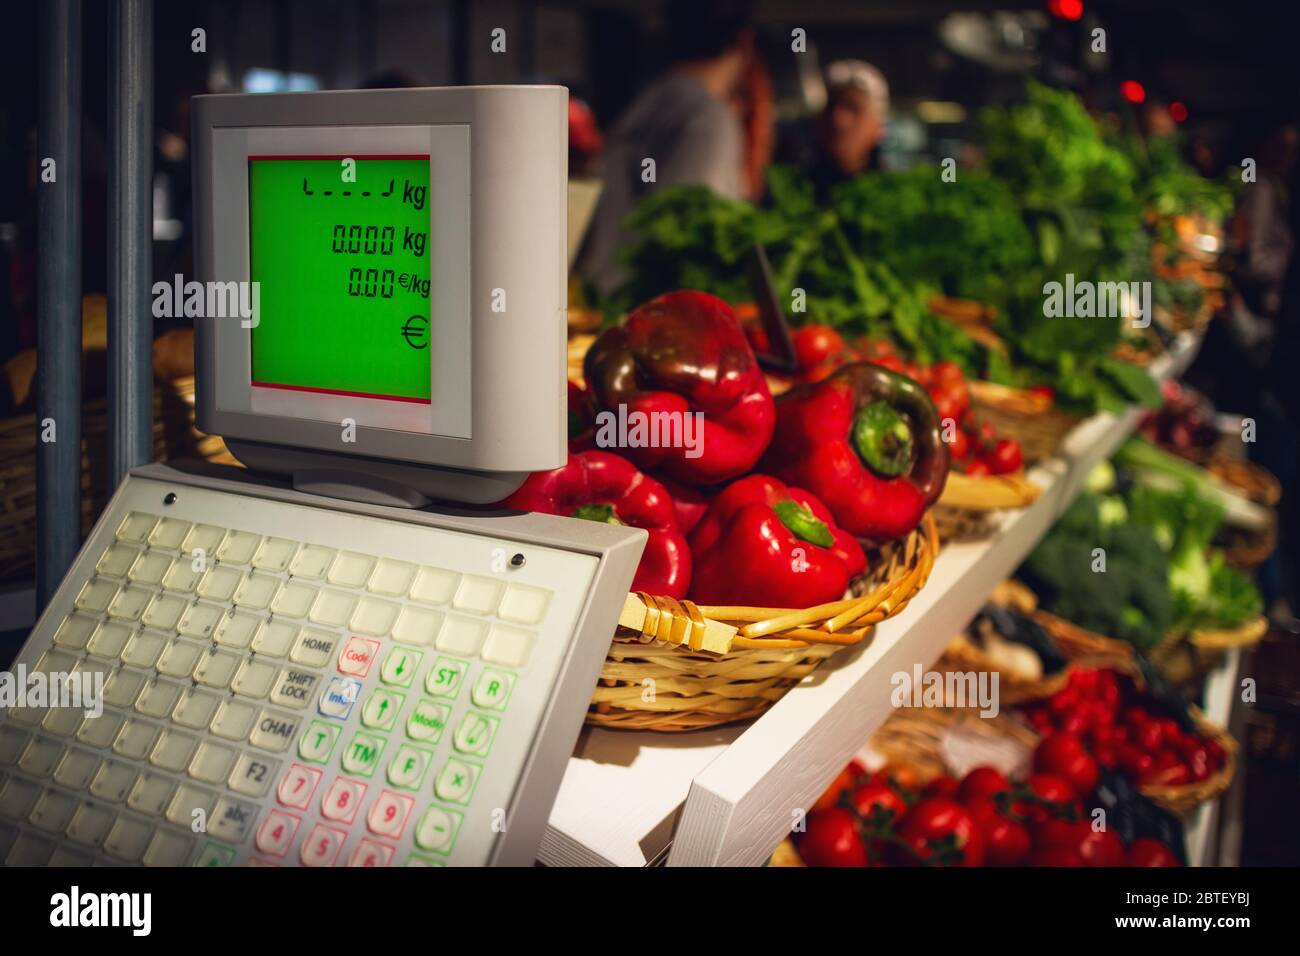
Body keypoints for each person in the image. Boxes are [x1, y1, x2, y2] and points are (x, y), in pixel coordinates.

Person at [576, 0, 756, 295]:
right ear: (744, 40)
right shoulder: (708, 118)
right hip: (658, 314)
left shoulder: (641, 106)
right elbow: (695, 237)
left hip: (602, 301)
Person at [781, 59, 890, 200]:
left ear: (878, 125)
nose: (838, 120)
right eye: (830, 107)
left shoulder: (896, 194)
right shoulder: (790, 193)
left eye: (853, 108)